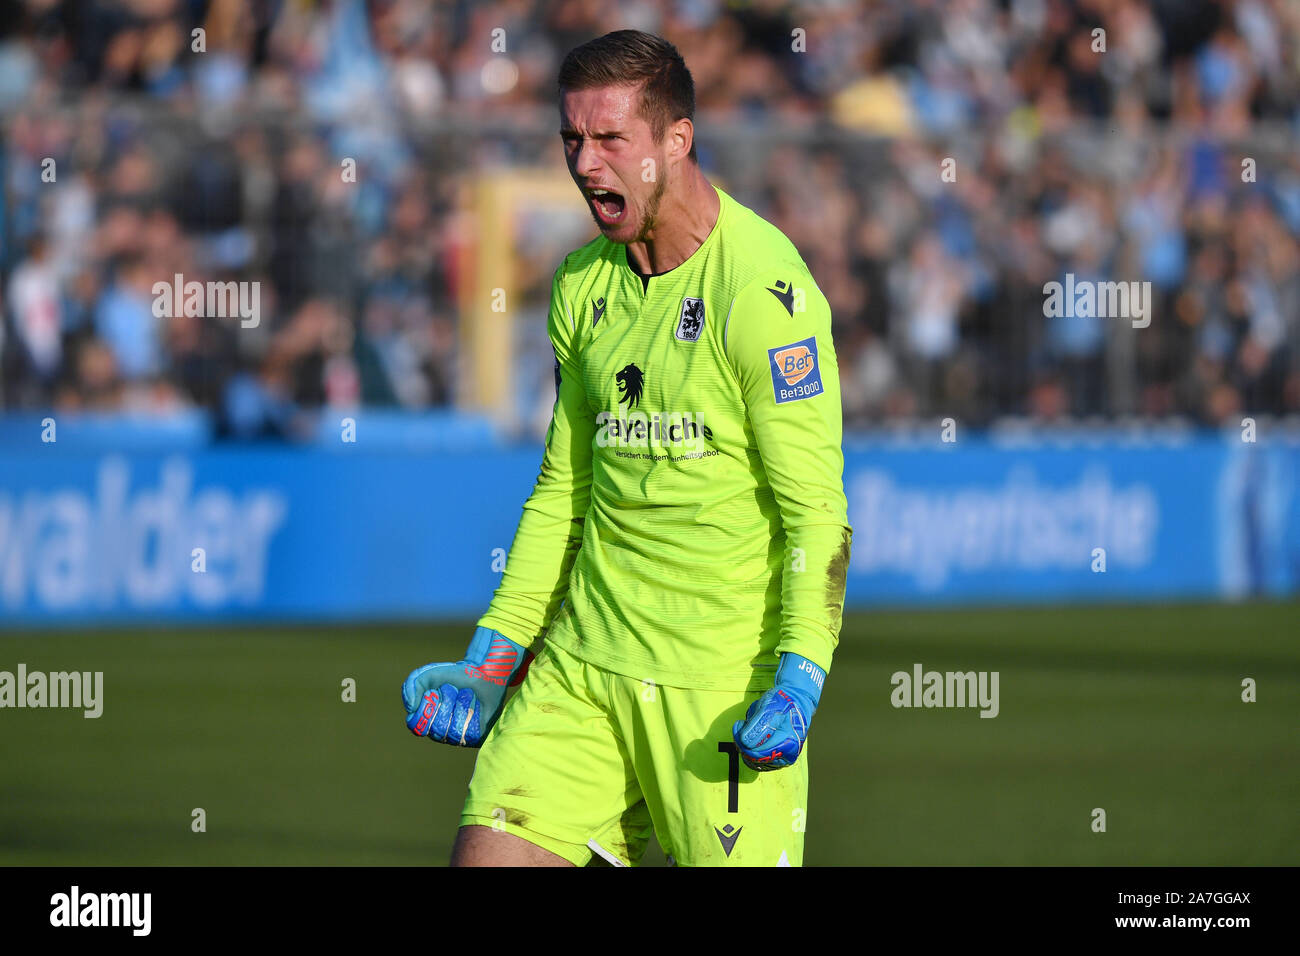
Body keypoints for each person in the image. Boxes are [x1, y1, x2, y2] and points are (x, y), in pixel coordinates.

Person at [402, 29, 851, 867]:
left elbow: (818, 517)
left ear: (676, 142)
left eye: (611, 140)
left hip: (720, 692)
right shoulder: (582, 286)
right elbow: (562, 493)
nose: (585, 163)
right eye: (572, 139)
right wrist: (492, 661)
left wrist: (799, 679)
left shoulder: (762, 295)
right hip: (582, 669)